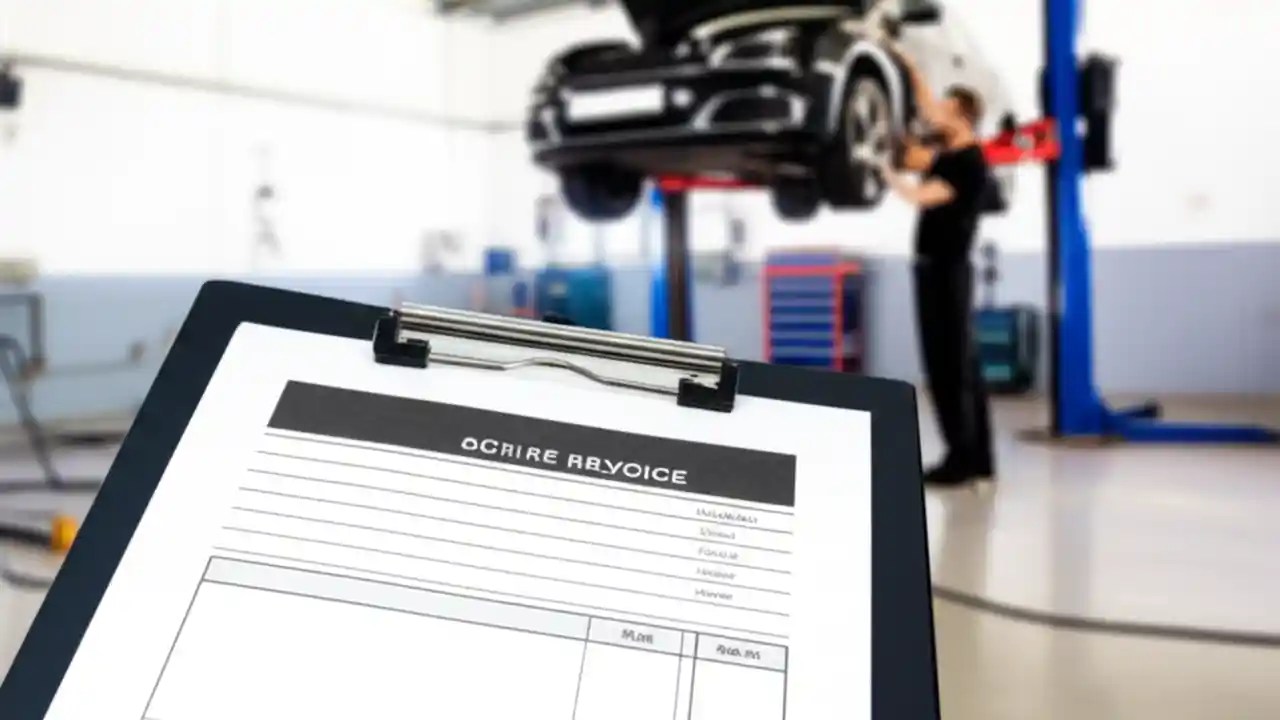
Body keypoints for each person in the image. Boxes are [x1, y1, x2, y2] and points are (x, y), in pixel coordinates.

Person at [874, 51, 994, 486]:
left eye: (944, 108)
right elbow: (925, 107)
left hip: (945, 273)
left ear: (961, 116)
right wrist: (905, 63)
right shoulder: (952, 155)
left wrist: (881, 169)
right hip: (940, 271)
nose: (934, 113)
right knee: (962, 367)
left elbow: (917, 197)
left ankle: (959, 461)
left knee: (948, 368)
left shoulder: (969, 164)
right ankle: (978, 458)